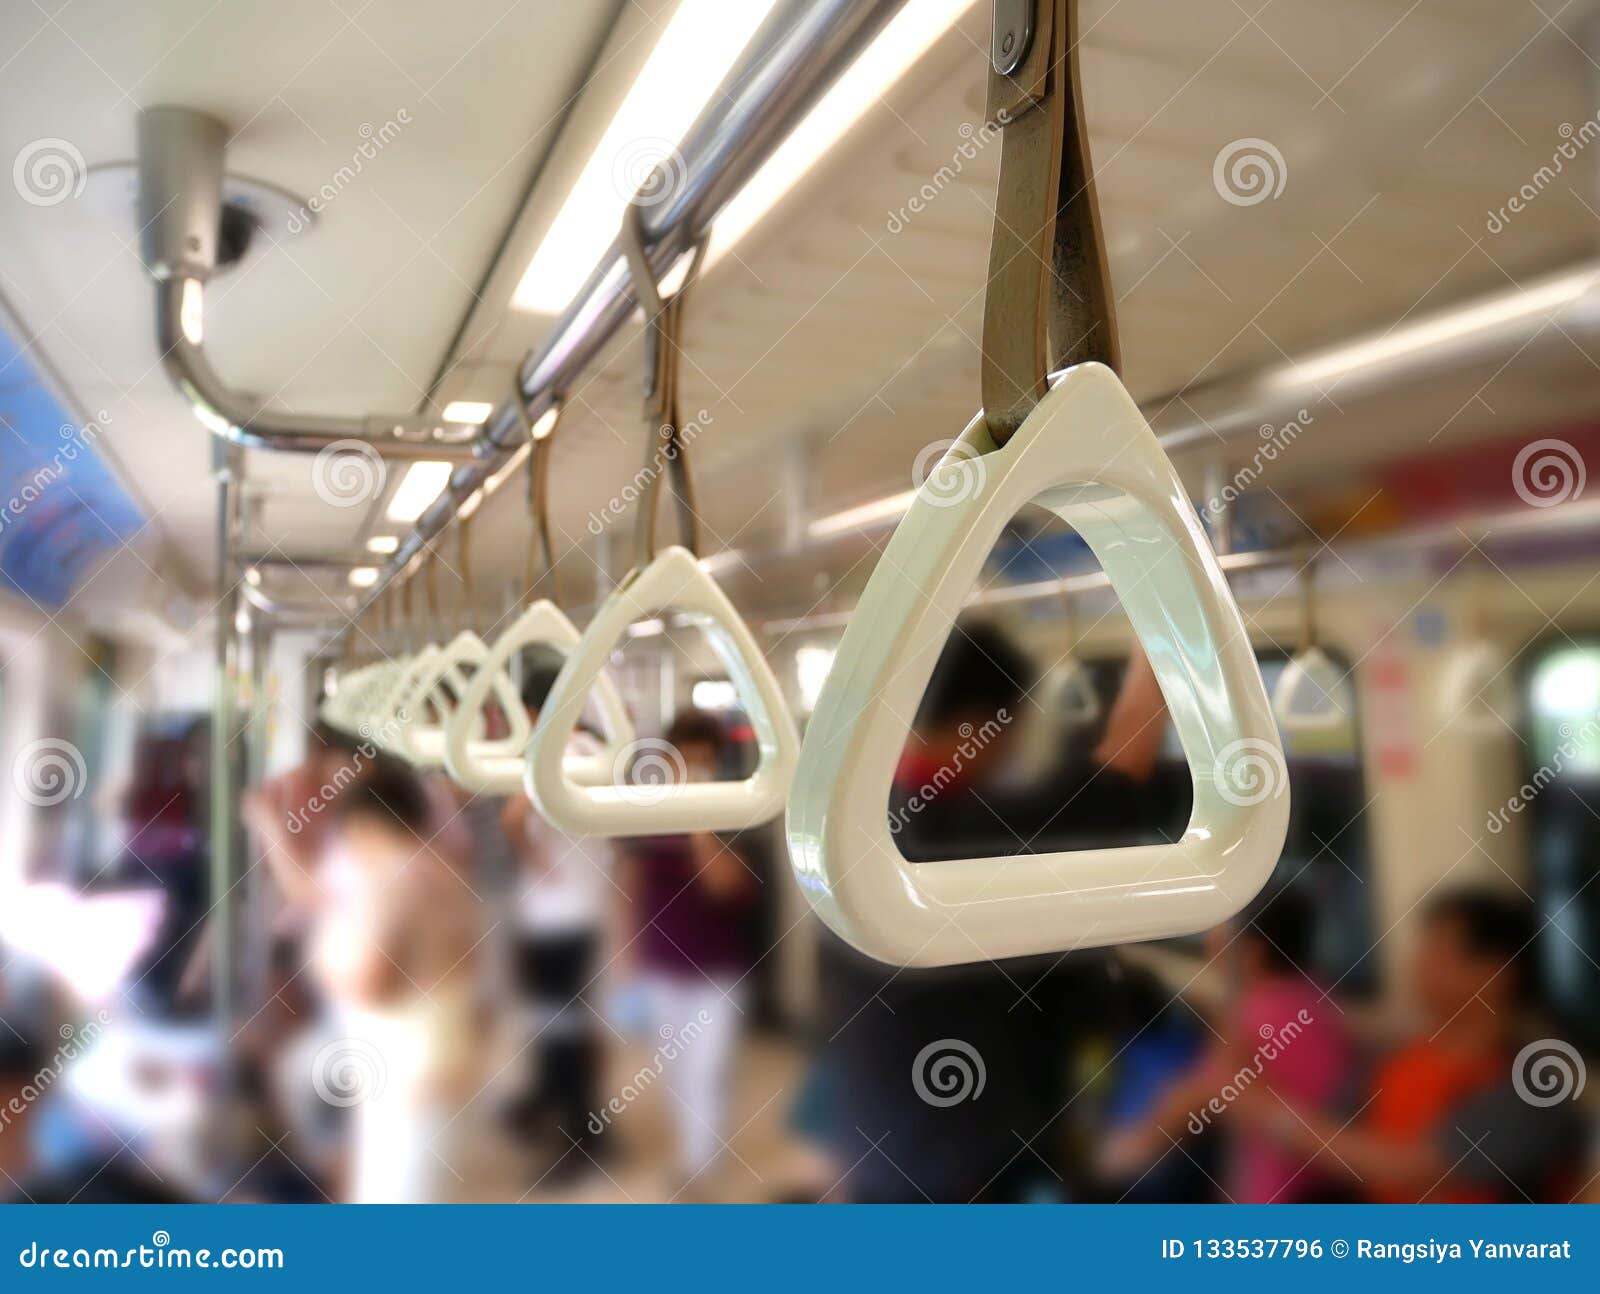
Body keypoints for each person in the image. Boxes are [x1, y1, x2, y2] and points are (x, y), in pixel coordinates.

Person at [811, 621, 1174, 1201]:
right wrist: (1164, 619)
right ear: (974, 724)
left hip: (879, 1140)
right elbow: (1119, 784)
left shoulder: (857, 819)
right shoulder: (961, 837)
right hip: (963, 1161)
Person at [1236, 888, 1587, 1202]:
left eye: (1439, 951)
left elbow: (1407, 1166)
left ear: (1496, 973)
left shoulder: (1527, 1090)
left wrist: (1268, 1111)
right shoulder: (1398, 1059)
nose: (1418, 963)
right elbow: (1334, 1118)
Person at [1097, 886, 1353, 1202]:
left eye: (1223, 927)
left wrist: (1117, 1156)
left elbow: (1195, 1097)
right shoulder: (1315, 997)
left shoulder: (1252, 1017)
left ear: (1253, 951)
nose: (1212, 940)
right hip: (1322, 1187)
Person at [305, 757, 486, 1203]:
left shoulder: (390, 881)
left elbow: (369, 980)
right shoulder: (445, 874)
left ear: (364, 826)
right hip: (444, 1057)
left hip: (405, 1073)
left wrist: (322, 958)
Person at [616, 709, 757, 1196]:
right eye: (686, 760)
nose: (695, 771)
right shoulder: (646, 813)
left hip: (719, 969)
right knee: (675, 1072)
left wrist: (700, 830)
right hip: (661, 966)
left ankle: (700, 1169)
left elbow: (728, 887)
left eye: (705, 762)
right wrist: (625, 958)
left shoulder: (735, 812)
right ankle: (689, 1154)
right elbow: (629, 887)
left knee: (710, 1070)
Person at [499, 658, 615, 1172]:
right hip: (580, 911)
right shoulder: (594, 748)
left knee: (560, 1027)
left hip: (555, 917)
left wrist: (535, 861)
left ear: (535, 709)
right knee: (564, 1023)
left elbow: (513, 819)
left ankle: (579, 1133)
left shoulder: (555, 752)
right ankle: (557, 1108)